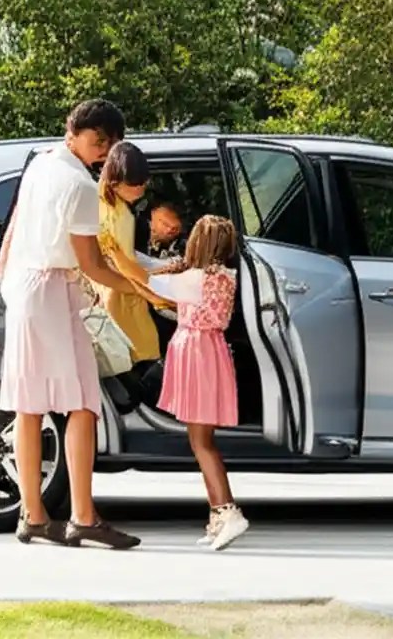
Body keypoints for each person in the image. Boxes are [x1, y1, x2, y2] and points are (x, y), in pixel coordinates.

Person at [0, 99, 143, 548]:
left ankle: (33, 516)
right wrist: (146, 291)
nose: (102, 151)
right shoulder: (80, 186)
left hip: (23, 287)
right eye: (99, 142)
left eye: (108, 143)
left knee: (29, 405)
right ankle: (82, 516)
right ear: (74, 132)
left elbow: (14, 234)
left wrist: (7, 284)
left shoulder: (39, 165)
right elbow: (93, 265)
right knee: (82, 402)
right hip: (54, 290)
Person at [153, 215, 249, 550]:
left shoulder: (192, 279)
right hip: (213, 353)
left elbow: (146, 282)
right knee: (202, 439)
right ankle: (217, 516)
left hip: (195, 353)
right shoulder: (225, 277)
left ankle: (227, 511)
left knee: (201, 443)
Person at [93, 142, 163, 369]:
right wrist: (156, 291)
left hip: (130, 290)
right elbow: (119, 261)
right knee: (135, 361)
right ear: (116, 182)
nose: (142, 189)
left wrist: (158, 268)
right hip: (117, 294)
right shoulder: (103, 211)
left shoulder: (120, 207)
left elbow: (128, 255)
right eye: (136, 184)